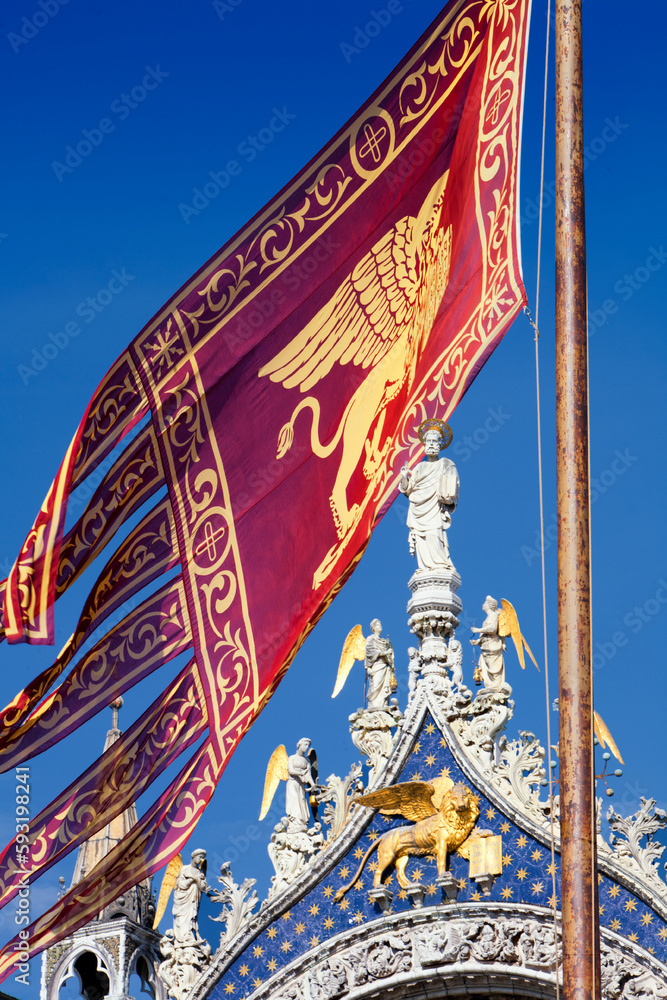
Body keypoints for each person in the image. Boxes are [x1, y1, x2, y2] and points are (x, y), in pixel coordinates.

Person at [399, 421, 459, 572]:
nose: (431, 444)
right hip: (418, 510)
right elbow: (408, 489)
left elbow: (452, 489)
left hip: (435, 508)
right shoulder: (419, 467)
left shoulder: (446, 464)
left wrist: (447, 496)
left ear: (439, 444)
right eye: (428, 441)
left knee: (433, 536)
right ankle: (425, 568)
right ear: (424, 445)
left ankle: (440, 565)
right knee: (421, 541)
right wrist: (405, 476)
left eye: (434, 441)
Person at [172, 849, 210, 948]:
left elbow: (202, 887)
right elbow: (181, 885)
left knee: (191, 918)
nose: (201, 860)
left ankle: (190, 936)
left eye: (203, 858)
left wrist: (197, 879)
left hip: (194, 900)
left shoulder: (200, 872)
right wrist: (193, 879)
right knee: (182, 919)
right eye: (200, 857)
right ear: (194, 856)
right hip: (183, 900)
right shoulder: (184, 869)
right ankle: (183, 937)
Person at [470, 596, 506, 690]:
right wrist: (477, 641)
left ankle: (495, 686)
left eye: (485, 603)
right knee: (487, 668)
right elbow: (485, 635)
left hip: (492, 647)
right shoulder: (489, 617)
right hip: (486, 646)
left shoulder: (494, 615)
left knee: (493, 669)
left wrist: (478, 630)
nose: (483, 605)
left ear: (489, 605)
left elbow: (492, 629)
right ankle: (490, 686)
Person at [285, 738, 317, 832]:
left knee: (302, 802)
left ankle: (301, 823)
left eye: (308, 746)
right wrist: (301, 773)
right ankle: (295, 823)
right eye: (305, 745)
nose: (306, 747)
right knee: (295, 802)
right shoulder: (292, 758)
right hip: (293, 783)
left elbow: (308, 775)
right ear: (299, 745)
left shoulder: (307, 760)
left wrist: (313, 784)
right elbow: (290, 771)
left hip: (301, 786)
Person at [364, 619, 396, 710]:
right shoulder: (371, 639)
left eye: (380, 624)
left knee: (384, 688)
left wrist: (390, 657)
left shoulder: (384, 641)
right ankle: (374, 705)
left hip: (385, 667)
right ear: (373, 628)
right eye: (378, 624)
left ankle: (383, 704)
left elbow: (390, 655)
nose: (380, 626)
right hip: (377, 666)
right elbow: (370, 652)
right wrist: (385, 653)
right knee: (376, 685)